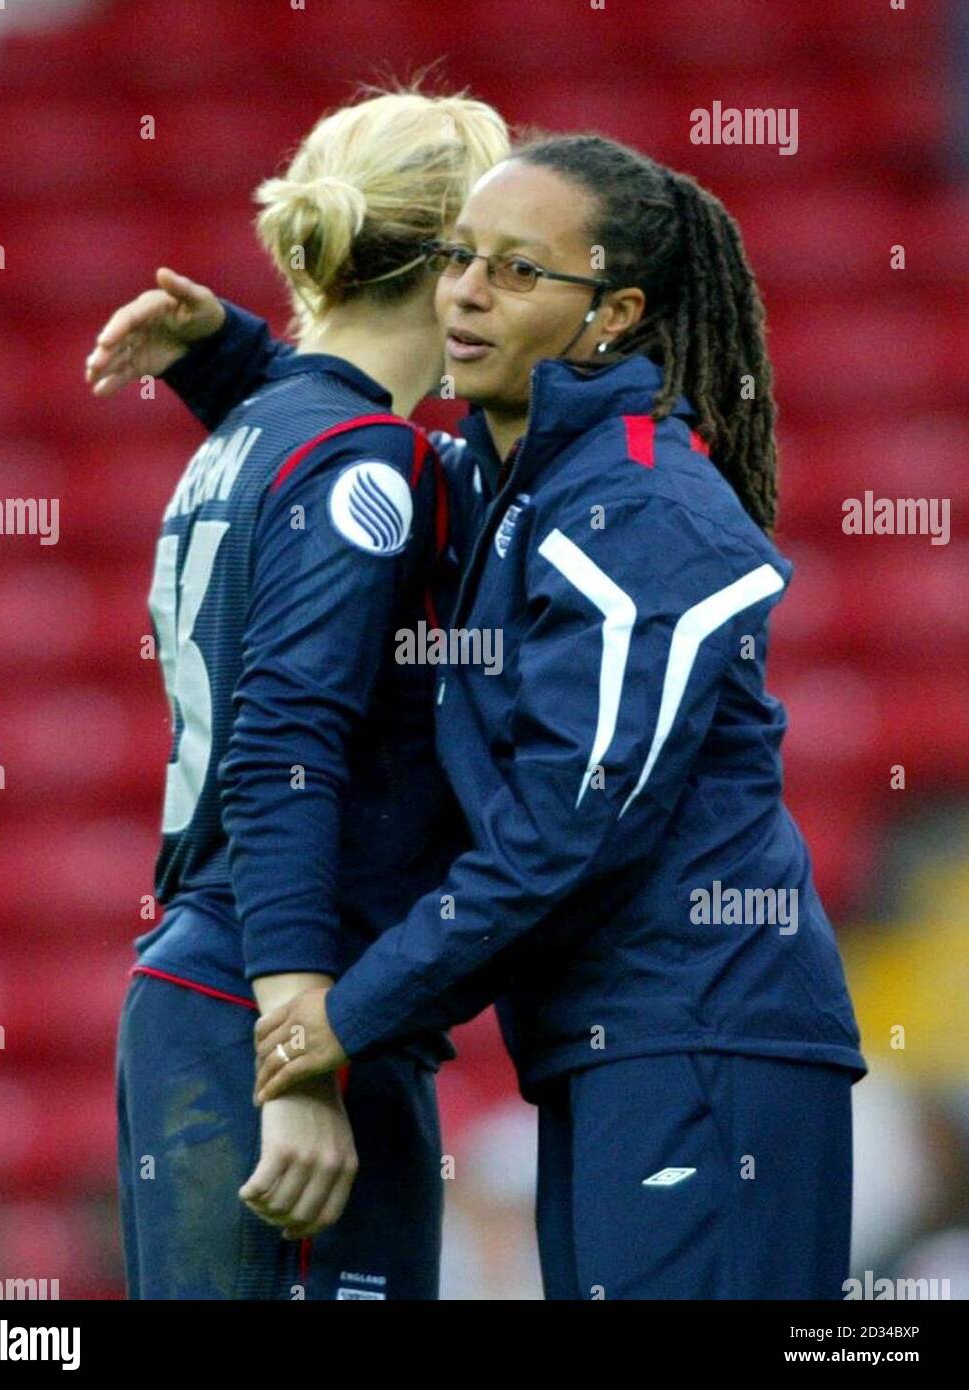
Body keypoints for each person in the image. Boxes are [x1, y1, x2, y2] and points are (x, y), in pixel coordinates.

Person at [179, 135, 869, 1300]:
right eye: (459, 257)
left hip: (703, 1041)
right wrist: (226, 362)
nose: (464, 291)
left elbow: (569, 829)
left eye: (515, 271)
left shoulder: (642, 504)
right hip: (619, 1042)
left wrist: (353, 1008)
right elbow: (374, 465)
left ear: (613, 314)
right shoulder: (523, 476)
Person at [87, 86, 509, 1300]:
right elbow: (286, 742)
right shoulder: (365, 460)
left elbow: (317, 453)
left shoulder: (267, 429)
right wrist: (298, 1060)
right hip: (275, 1004)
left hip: (207, 982)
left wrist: (230, 356)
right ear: (449, 261)